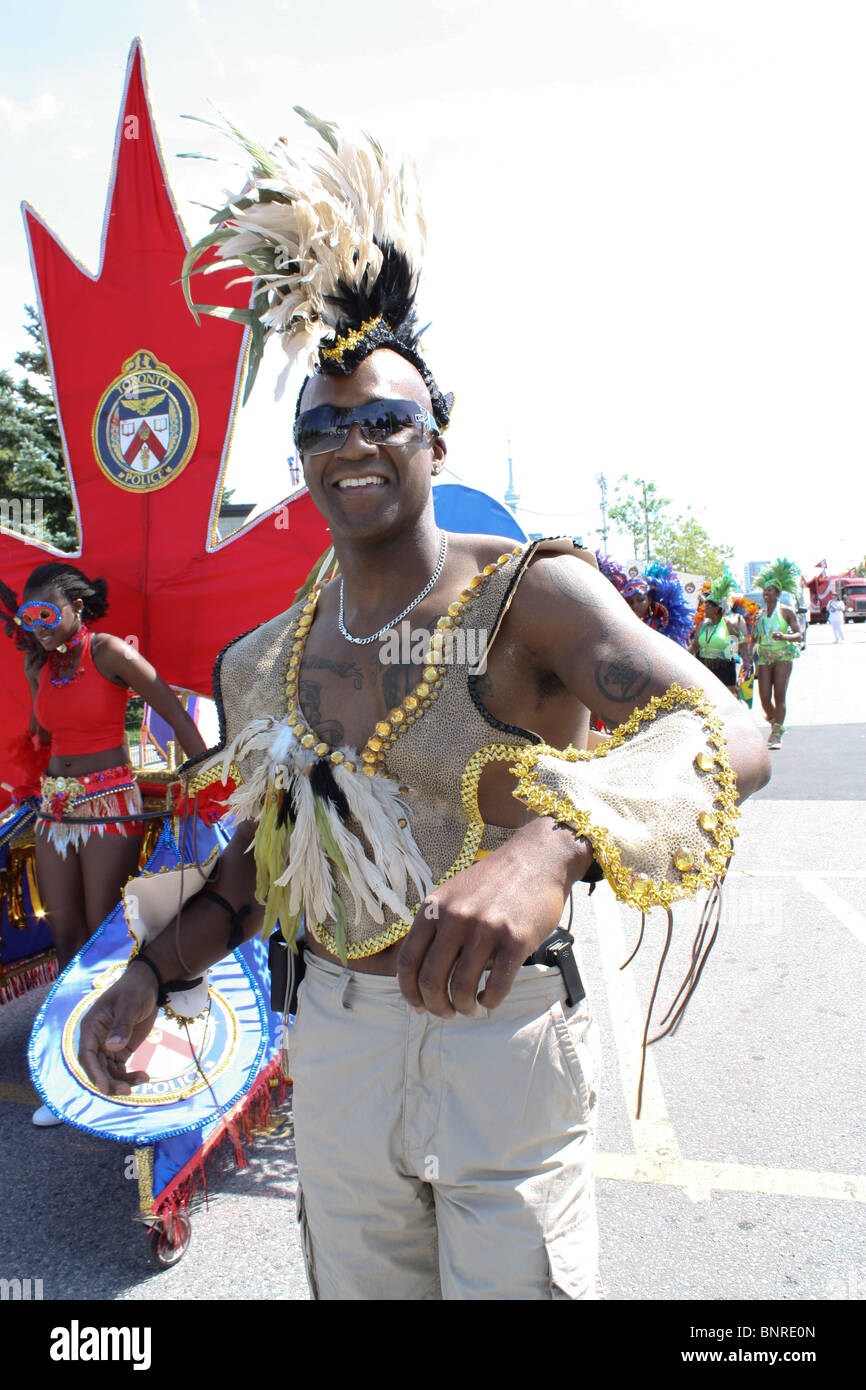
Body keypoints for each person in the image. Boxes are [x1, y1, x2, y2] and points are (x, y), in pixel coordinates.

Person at [78, 110, 770, 1299]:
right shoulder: (261, 662)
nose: (351, 441)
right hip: (338, 1041)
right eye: (321, 424)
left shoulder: (526, 600)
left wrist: (550, 847)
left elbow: (732, 733)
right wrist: (155, 968)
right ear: (298, 455)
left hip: (503, 1042)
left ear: (433, 440)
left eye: (382, 418)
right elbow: (273, 857)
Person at [1, 562, 206, 1123]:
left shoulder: (109, 651)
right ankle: (67, 1061)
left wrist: (210, 776)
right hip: (54, 809)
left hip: (110, 803)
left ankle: (118, 1057)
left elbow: (166, 704)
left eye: (46, 613)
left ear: (76, 607)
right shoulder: (38, 664)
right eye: (27, 616)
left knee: (100, 934)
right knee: (63, 932)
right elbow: (45, 739)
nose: (36, 625)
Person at [753, 559, 802, 749]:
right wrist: (756, 623)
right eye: (764, 591)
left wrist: (785, 636)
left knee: (779, 695)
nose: (766, 594)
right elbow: (756, 637)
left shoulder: (786, 611)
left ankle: (776, 735)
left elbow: (799, 634)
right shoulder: (761, 612)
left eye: (770, 590)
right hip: (765, 656)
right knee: (764, 697)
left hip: (782, 656)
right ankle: (776, 725)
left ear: (778, 593)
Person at [689, 570, 750, 696]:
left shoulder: (730, 624)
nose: (704, 609)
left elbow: (741, 646)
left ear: (717, 609)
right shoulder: (703, 624)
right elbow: (694, 647)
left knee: (725, 707)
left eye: (708, 607)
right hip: (704, 669)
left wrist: (747, 662)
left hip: (725, 670)